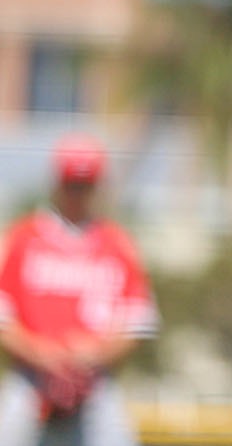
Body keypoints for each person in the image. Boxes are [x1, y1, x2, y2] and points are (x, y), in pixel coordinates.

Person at [0, 134, 158, 446]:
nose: (78, 193)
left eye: (85, 185)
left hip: (95, 383)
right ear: (57, 183)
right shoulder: (22, 238)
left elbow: (139, 322)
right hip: (31, 380)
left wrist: (93, 354)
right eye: (72, 183)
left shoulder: (117, 243)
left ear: (98, 187)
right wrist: (42, 353)